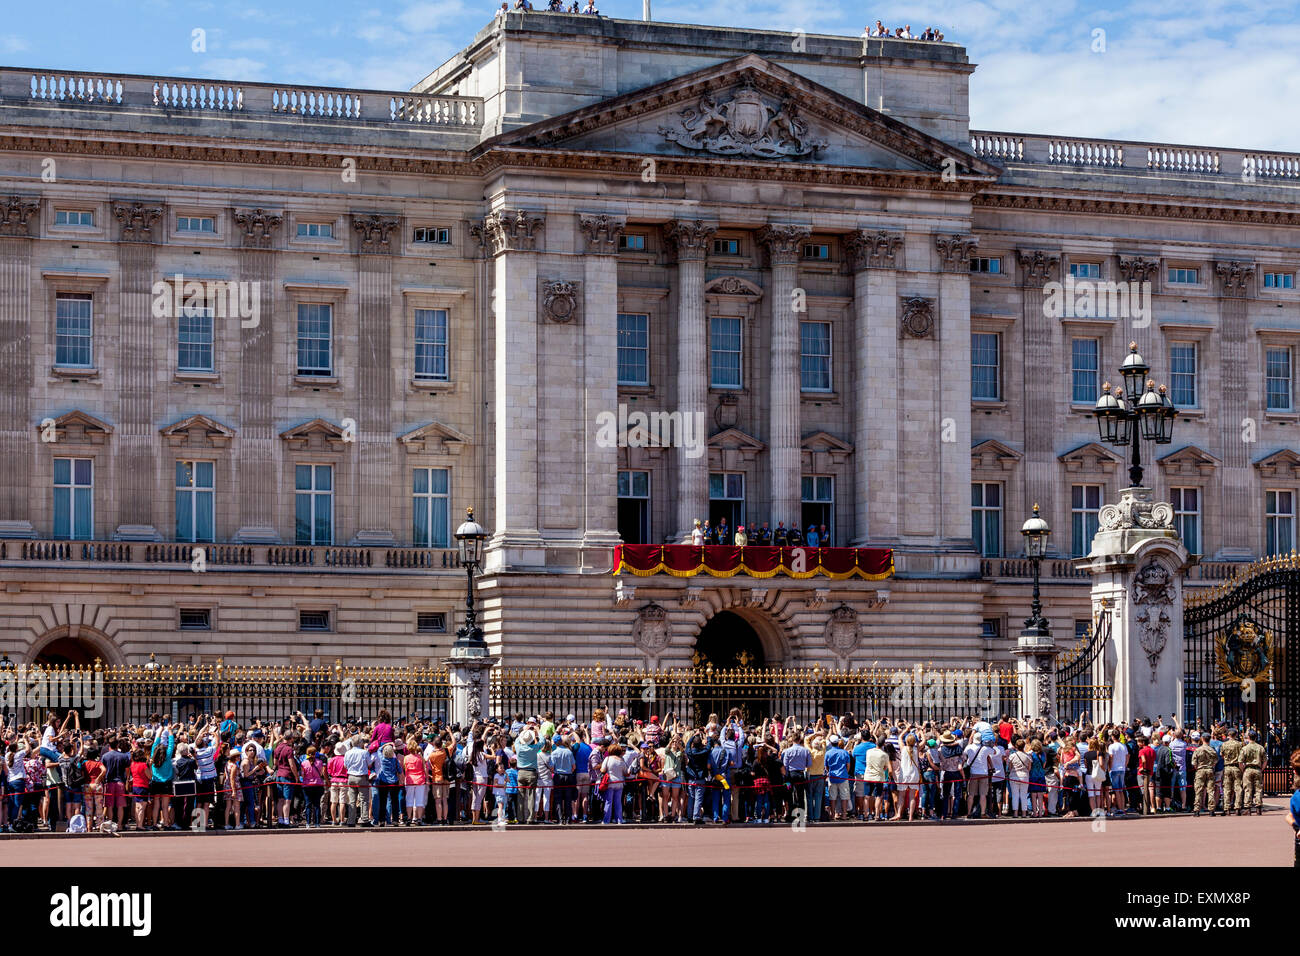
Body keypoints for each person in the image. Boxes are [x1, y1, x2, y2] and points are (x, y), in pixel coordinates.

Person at [1191, 733, 1218, 817]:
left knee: (1198, 790)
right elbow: (1215, 762)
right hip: (1210, 770)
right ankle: (1211, 810)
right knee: (1211, 790)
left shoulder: (1197, 750)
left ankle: (1196, 810)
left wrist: (1199, 768)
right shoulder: (1212, 750)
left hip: (1200, 770)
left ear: (1202, 739)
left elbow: (1194, 763)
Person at [1240, 730, 1266, 816]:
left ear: (1248, 738)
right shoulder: (1260, 747)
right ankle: (1258, 808)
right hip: (1257, 769)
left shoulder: (1245, 748)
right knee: (1258, 789)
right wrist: (1261, 769)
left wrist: (1243, 769)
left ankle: (1248, 808)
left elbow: (1240, 761)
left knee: (1248, 788)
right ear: (1256, 737)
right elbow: (1265, 760)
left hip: (1248, 769)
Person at [599, 744, 626, 823]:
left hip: (610, 783)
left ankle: (606, 820)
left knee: (608, 802)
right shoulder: (621, 760)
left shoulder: (607, 759)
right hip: (620, 783)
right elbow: (626, 772)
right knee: (618, 802)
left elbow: (603, 770)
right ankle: (619, 819)